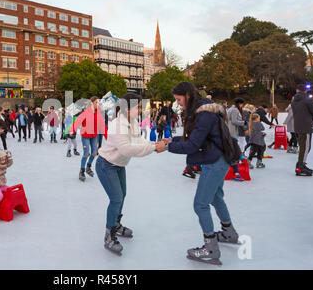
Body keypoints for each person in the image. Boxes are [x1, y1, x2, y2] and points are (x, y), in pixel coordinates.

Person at [167, 82, 239, 266]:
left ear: (188, 96)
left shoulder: (204, 114)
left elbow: (192, 145)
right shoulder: (203, 111)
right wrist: (171, 140)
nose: (178, 103)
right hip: (215, 158)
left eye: (179, 99)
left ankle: (211, 248)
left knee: (200, 204)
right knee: (215, 197)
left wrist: (168, 146)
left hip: (214, 162)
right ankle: (228, 232)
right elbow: (195, 139)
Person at [96, 93, 166, 255]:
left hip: (119, 165)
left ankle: (117, 224)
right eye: (138, 107)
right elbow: (126, 148)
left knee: (123, 195)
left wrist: (154, 144)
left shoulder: (132, 122)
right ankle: (109, 235)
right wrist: (153, 148)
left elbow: (138, 141)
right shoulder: (116, 125)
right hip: (106, 165)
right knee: (116, 199)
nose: (140, 110)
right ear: (127, 109)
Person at [70, 97, 107, 182]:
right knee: (86, 153)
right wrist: (72, 130)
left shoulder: (98, 113)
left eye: (98, 102)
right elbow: (77, 121)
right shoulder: (85, 112)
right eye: (96, 102)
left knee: (94, 152)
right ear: (92, 103)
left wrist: (107, 137)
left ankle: (88, 167)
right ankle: (82, 171)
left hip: (94, 136)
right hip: (86, 136)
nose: (98, 104)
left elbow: (102, 126)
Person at [291, 84, 313, 176]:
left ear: (297, 91)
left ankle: (301, 164)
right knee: (306, 148)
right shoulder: (307, 100)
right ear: (305, 91)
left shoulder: (293, 101)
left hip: (298, 127)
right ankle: (300, 166)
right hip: (306, 127)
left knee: (303, 147)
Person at [227, 98, 247, 181]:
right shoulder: (234, 110)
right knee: (234, 151)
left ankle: (235, 169)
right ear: (239, 104)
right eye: (242, 104)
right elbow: (234, 121)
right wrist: (243, 122)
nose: (242, 106)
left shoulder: (231, 109)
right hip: (232, 132)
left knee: (233, 150)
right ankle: (235, 172)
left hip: (231, 132)